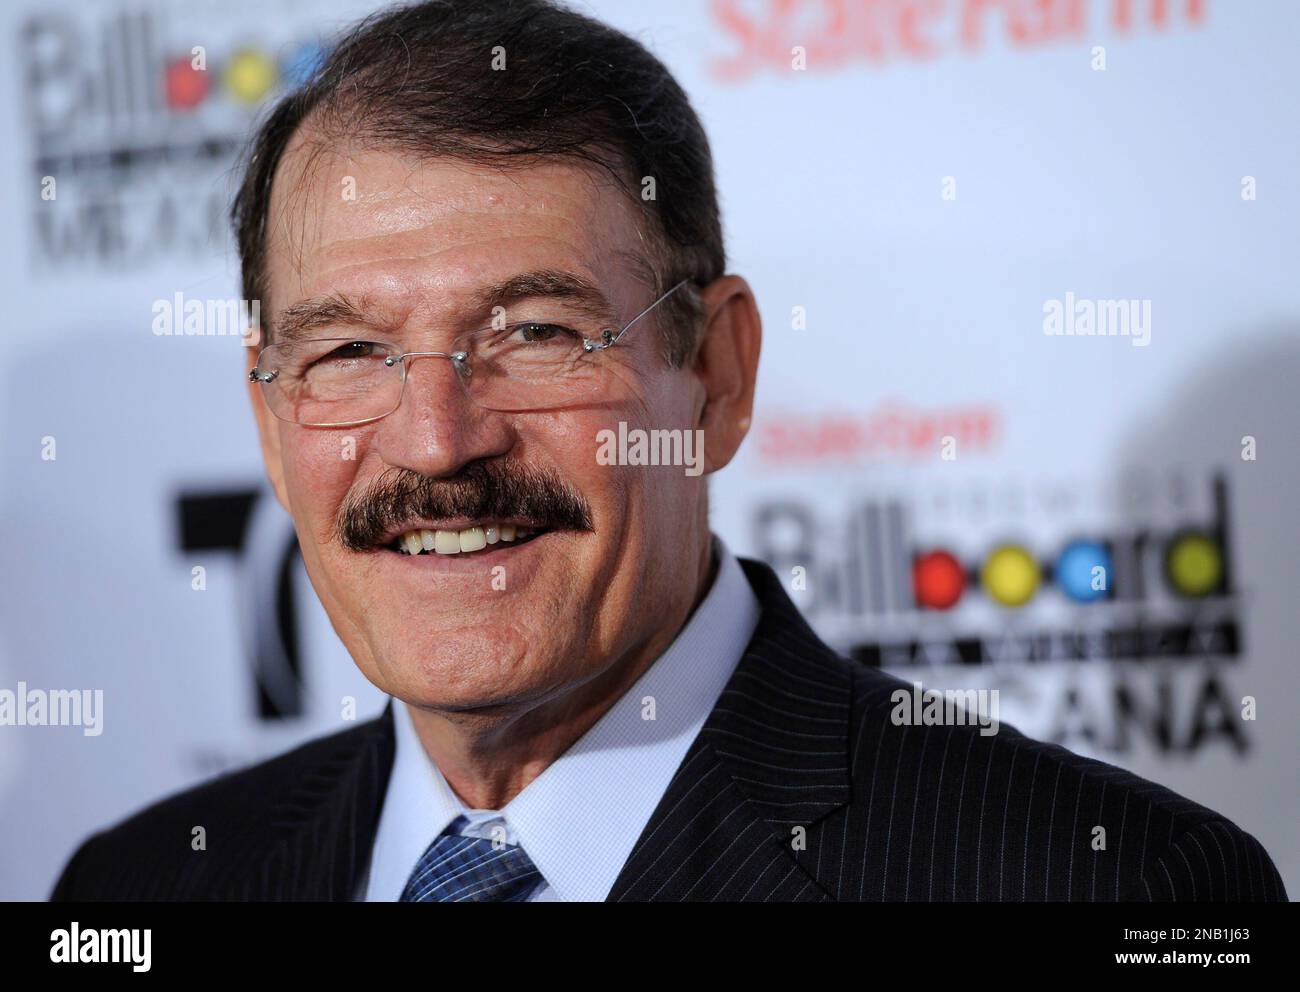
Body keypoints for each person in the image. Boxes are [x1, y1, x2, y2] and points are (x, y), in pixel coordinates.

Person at [50, 0, 1284, 902]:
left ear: (718, 376)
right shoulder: (139, 889)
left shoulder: (1110, 886)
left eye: (536, 331)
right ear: (272, 420)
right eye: (347, 353)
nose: (436, 438)